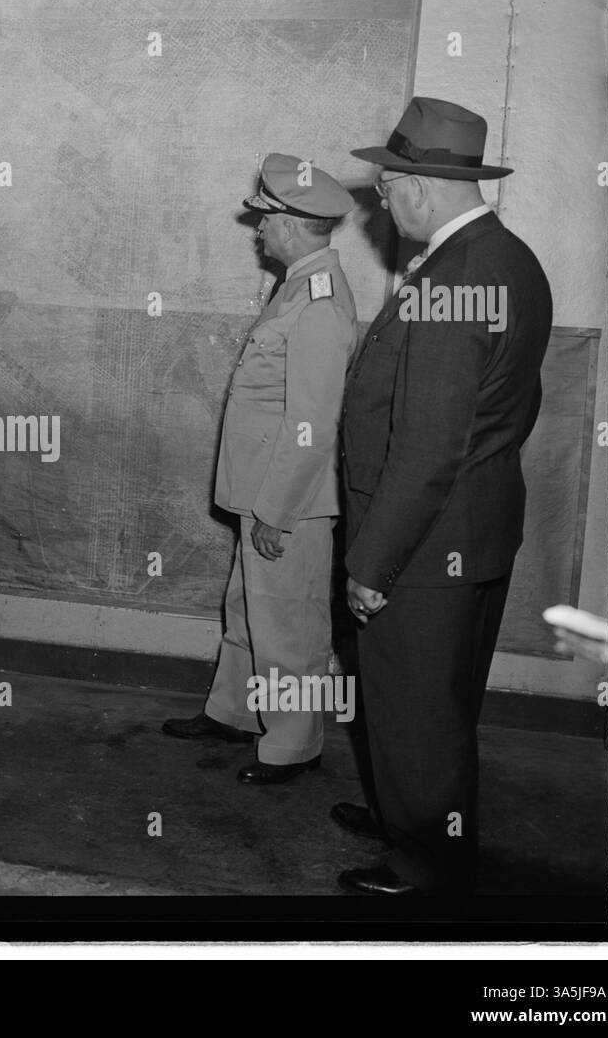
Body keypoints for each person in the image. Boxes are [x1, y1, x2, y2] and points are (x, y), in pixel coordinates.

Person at [334, 97, 553, 894]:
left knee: (414, 704)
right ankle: (414, 811)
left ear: (418, 185)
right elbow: (513, 408)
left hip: (425, 544)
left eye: (386, 189)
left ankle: (424, 857)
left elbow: (427, 446)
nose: (382, 204)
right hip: (477, 527)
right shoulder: (511, 258)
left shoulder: (453, 277)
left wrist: (373, 563)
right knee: (444, 697)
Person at [162, 154, 358, 784]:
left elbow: (312, 421)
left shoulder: (321, 299)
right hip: (262, 488)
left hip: (288, 499)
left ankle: (294, 745)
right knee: (251, 608)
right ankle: (236, 714)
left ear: (296, 223)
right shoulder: (298, 284)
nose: (258, 231)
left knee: (292, 623)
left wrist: (278, 509)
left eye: (267, 220)